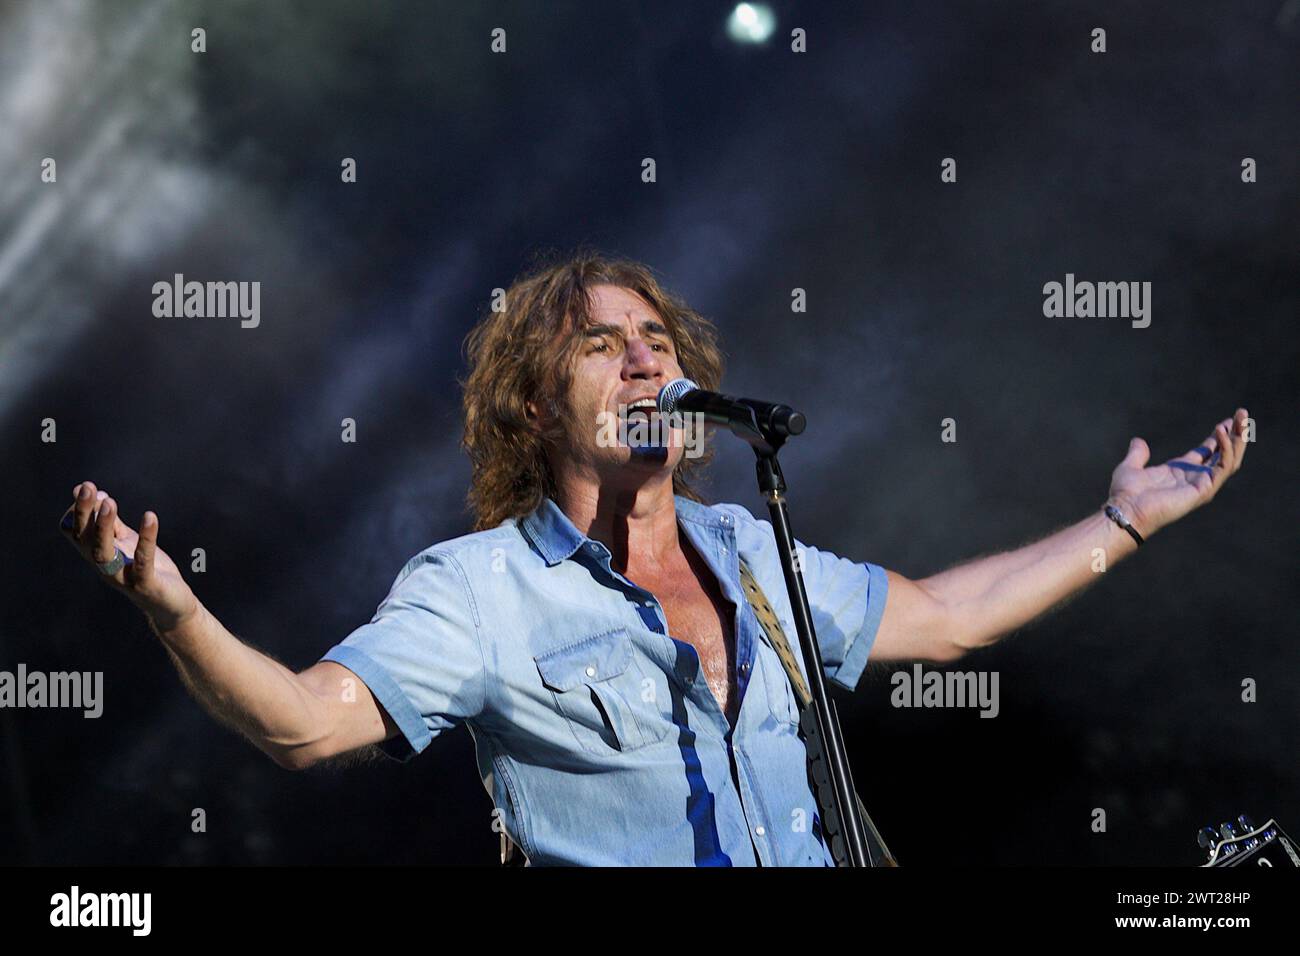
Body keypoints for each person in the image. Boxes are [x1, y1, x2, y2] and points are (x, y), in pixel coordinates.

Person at [58, 251, 1250, 866]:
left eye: (656, 340)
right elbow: (305, 722)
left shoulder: (746, 545)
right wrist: (174, 610)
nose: (643, 363)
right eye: (600, 346)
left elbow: (945, 615)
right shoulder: (478, 590)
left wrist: (1126, 521)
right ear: (531, 407)